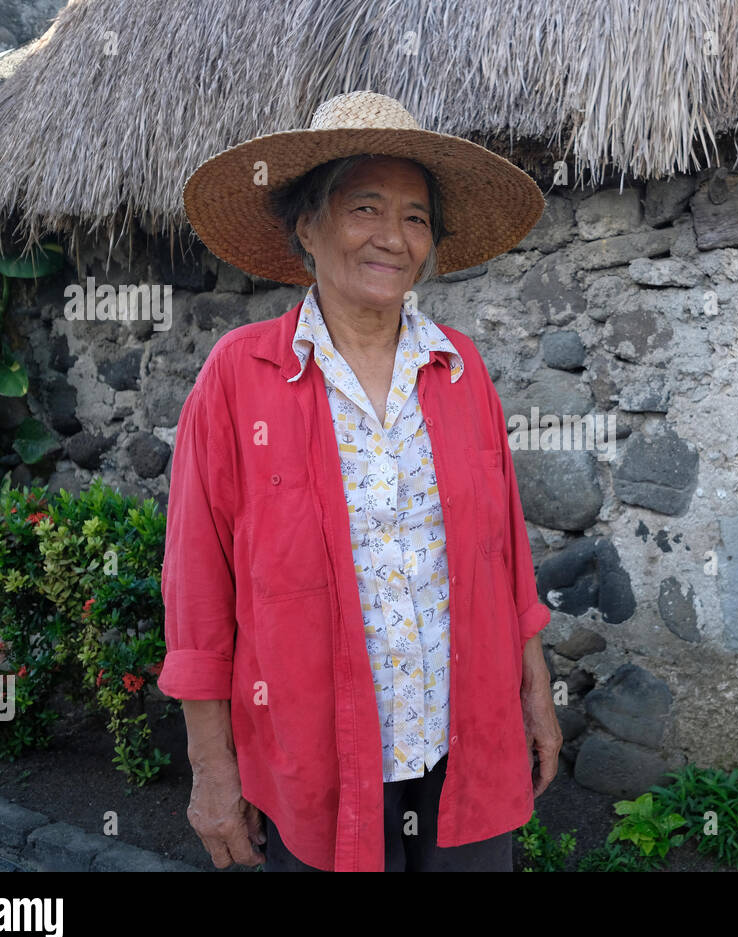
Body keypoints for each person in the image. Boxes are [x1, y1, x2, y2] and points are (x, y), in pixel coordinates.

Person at [160, 91, 560, 872]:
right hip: (317, 759)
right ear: (307, 226)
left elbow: (503, 551)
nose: (392, 237)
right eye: (365, 207)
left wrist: (536, 693)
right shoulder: (240, 377)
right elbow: (198, 590)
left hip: (464, 742)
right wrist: (212, 770)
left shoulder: (460, 369)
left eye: (415, 217)